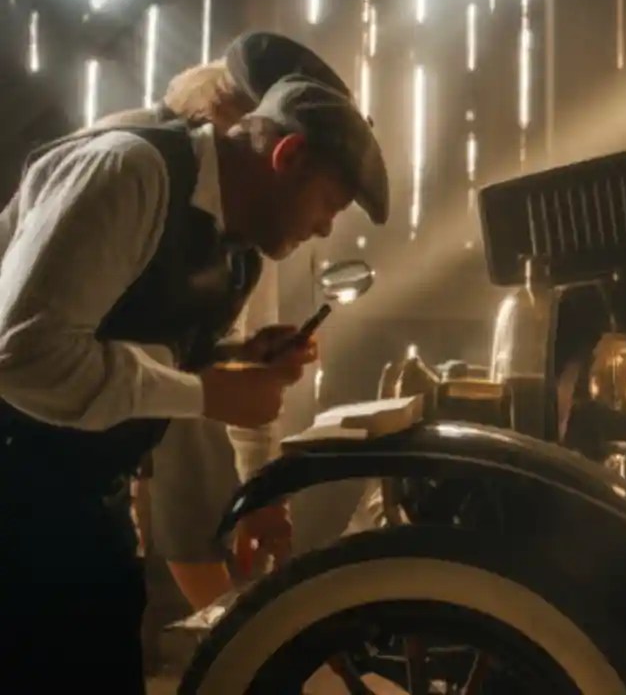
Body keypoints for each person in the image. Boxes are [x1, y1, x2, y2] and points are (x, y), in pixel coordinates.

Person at [0, 73, 388, 690]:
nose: (323, 230)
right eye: (328, 206)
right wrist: (211, 394)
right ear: (286, 156)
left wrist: (235, 359)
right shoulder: (129, 171)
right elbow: (23, 356)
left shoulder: (239, 250)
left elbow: (139, 350)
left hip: (85, 491)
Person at [93, 32, 355, 613]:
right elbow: (172, 387)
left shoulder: (243, 229)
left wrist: (237, 360)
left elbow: (199, 371)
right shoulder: (129, 169)